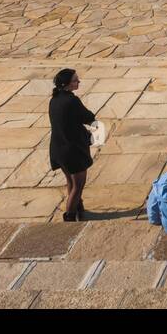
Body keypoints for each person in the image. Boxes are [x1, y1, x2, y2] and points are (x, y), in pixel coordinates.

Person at [49, 68, 96, 221]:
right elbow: (88, 117)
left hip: (58, 148)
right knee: (78, 186)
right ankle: (69, 217)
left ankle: (78, 208)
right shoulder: (71, 101)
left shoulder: (54, 100)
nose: (78, 82)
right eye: (75, 80)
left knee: (70, 181)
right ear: (67, 84)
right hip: (71, 151)